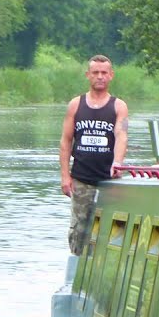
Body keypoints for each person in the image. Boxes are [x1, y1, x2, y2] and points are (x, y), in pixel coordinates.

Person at [59, 54, 129, 256]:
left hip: (110, 179)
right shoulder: (75, 105)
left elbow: (121, 135)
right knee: (80, 228)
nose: (100, 77)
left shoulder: (119, 106)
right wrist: (65, 176)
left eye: (104, 73)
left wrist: (118, 162)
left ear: (111, 75)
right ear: (88, 75)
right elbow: (65, 141)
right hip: (81, 178)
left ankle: (108, 266)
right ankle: (78, 265)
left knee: (113, 227)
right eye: (96, 73)